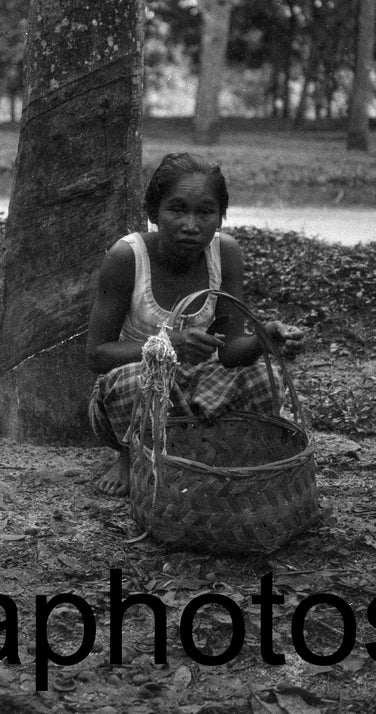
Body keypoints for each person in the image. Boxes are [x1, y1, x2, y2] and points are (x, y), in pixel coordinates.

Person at [86, 153, 305, 496]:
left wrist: (263, 338)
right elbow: (97, 356)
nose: (191, 225)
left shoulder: (226, 254)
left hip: (202, 386)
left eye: (205, 212)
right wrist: (168, 344)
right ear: (153, 213)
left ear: (220, 219)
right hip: (136, 391)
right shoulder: (127, 257)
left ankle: (222, 451)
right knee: (138, 379)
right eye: (177, 209)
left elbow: (231, 352)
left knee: (263, 376)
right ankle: (132, 457)